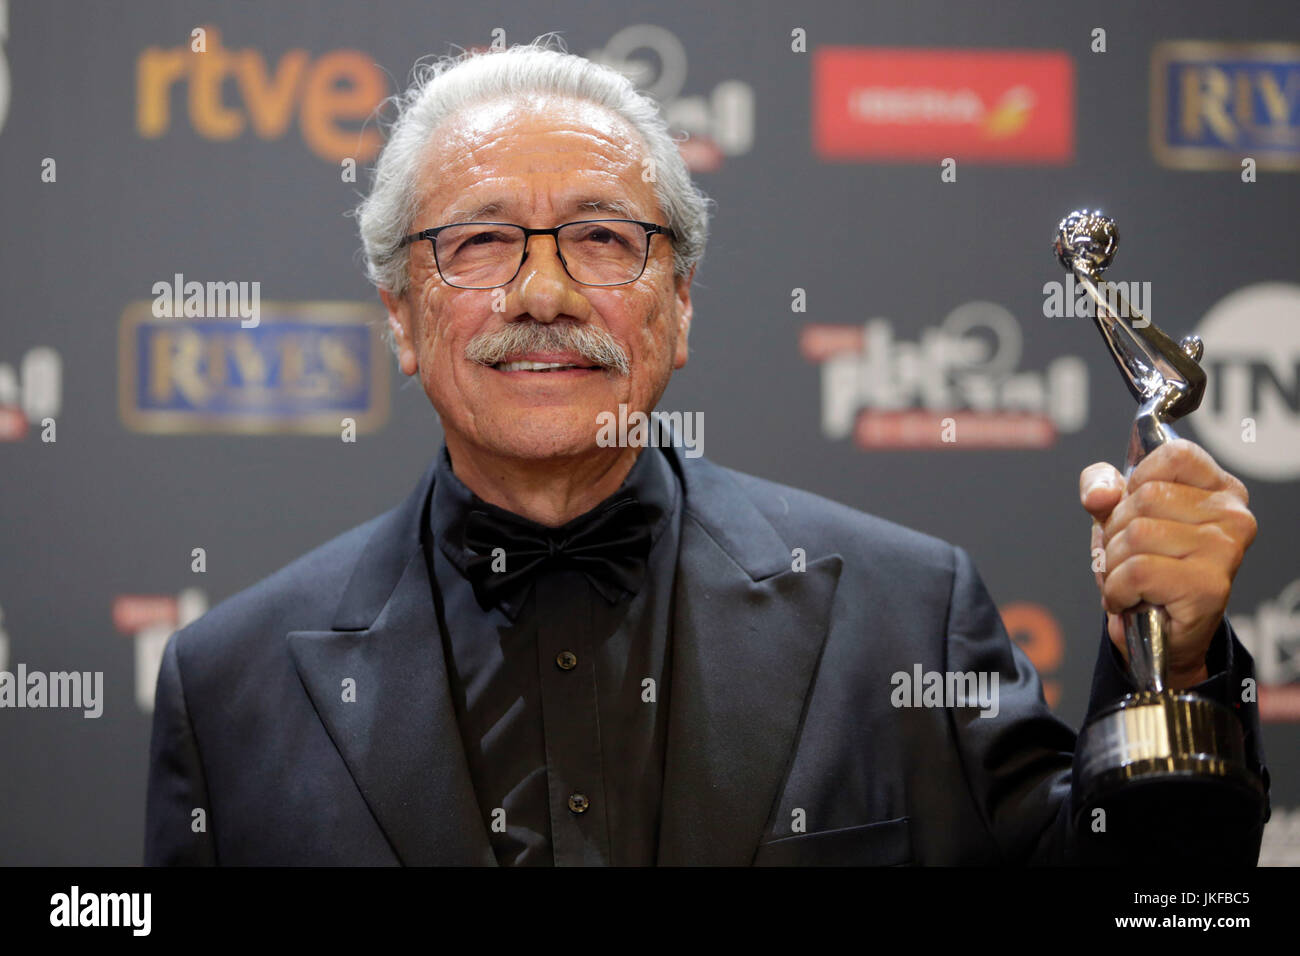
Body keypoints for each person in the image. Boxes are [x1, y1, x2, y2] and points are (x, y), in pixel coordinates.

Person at [144, 37, 1267, 866]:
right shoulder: (227, 685)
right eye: (479, 241)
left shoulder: (907, 611)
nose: (542, 291)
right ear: (400, 314)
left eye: (600, 238)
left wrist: (1178, 660)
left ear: (679, 306)